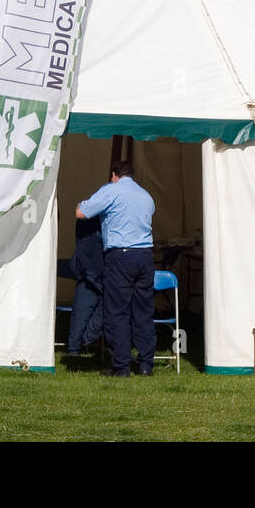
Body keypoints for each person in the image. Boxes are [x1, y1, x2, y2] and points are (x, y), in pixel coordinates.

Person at [76, 159, 156, 377]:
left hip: (120, 256)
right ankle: (146, 364)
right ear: (132, 175)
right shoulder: (146, 196)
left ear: (114, 175)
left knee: (117, 312)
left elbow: (81, 213)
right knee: (143, 312)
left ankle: (121, 366)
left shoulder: (111, 191)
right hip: (145, 256)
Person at [65, 212, 105, 356]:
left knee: (81, 312)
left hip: (89, 272)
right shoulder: (100, 220)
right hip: (95, 272)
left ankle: (76, 347)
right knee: (109, 306)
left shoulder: (86, 217)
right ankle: (81, 343)